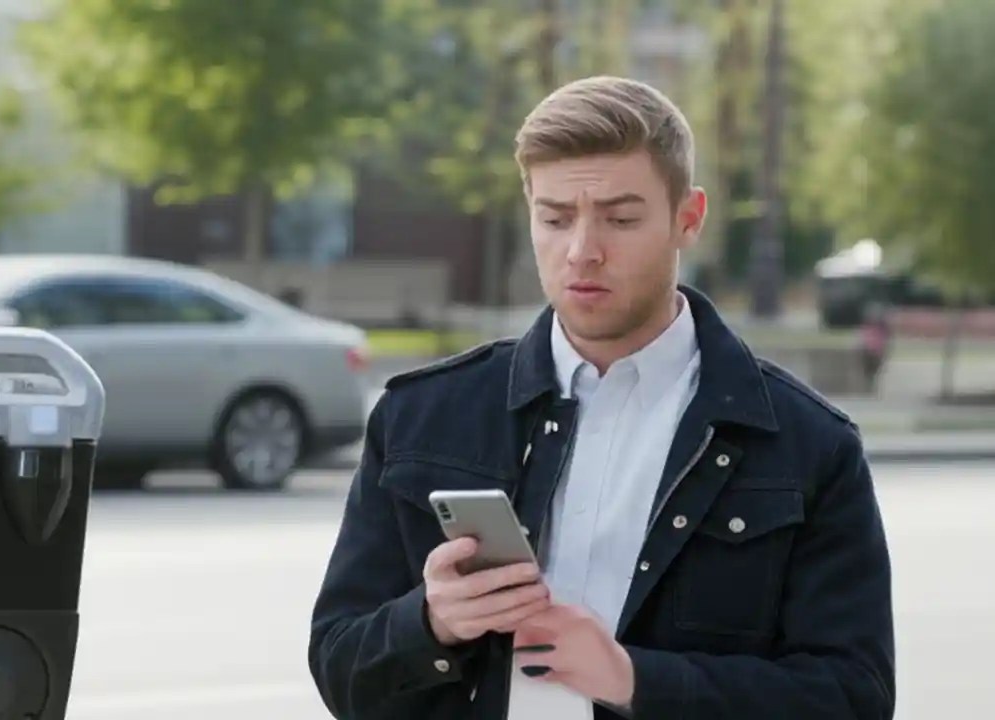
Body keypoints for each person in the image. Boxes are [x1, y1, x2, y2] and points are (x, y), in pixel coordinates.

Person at [309, 75, 895, 719]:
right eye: (555, 218)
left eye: (621, 219)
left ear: (688, 218)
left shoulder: (808, 445)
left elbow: (853, 698)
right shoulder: (420, 417)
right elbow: (339, 666)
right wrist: (430, 624)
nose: (583, 251)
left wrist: (635, 680)